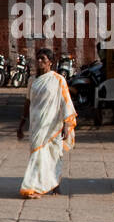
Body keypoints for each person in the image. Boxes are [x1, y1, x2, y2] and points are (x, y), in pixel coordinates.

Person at [17, 48, 77, 198]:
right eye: (37, 58)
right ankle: (34, 186)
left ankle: (55, 184)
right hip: (36, 124)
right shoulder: (32, 80)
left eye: (43, 59)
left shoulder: (58, 79)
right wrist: (22, 122)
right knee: (36, 155)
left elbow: (65, 102)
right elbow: (28, 101)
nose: (39, 62)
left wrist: (66, 124)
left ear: (50, 62)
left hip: (53, 125)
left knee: (54, 155)